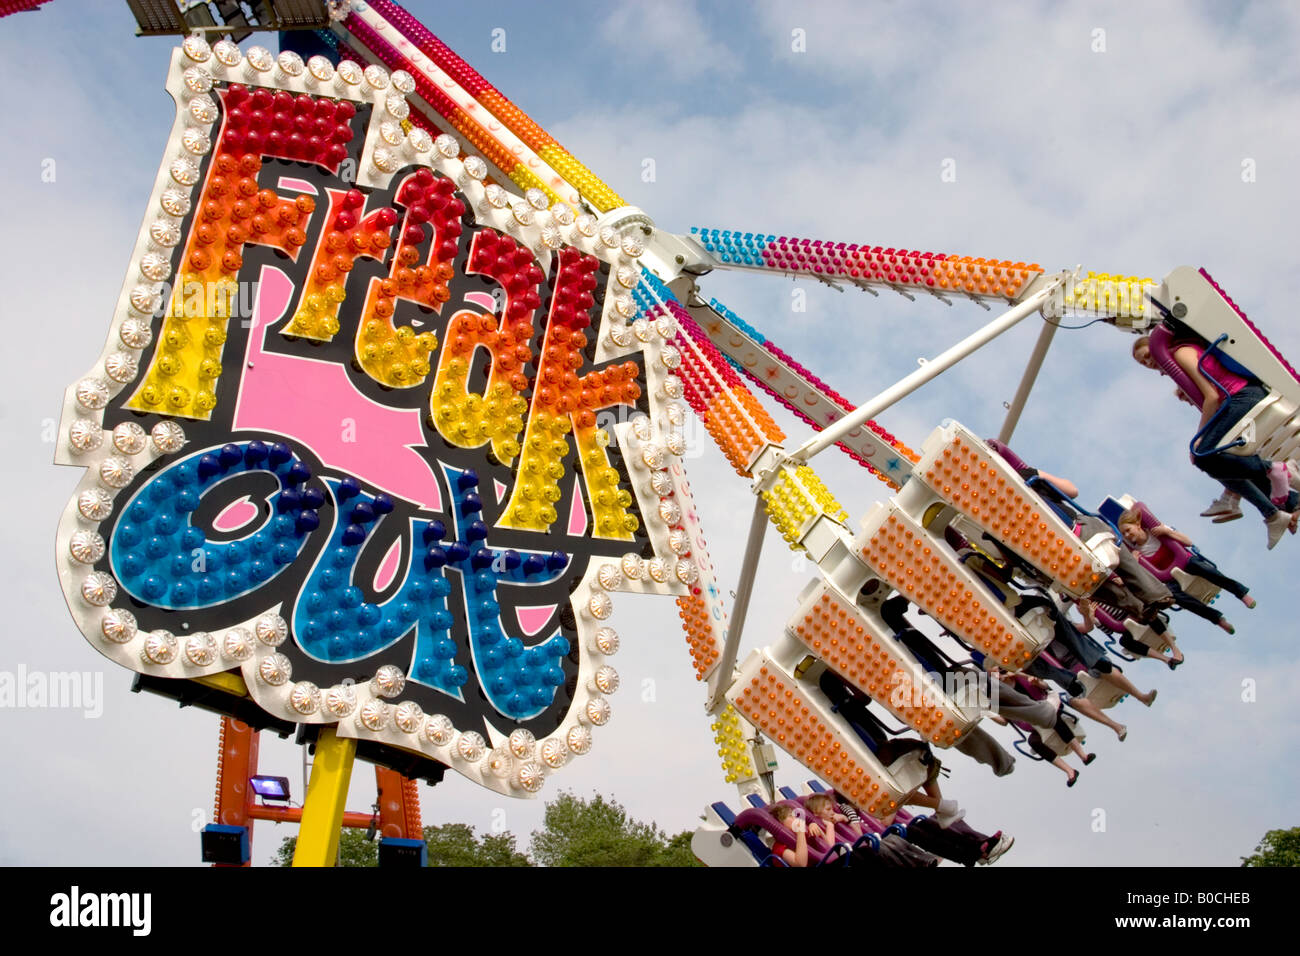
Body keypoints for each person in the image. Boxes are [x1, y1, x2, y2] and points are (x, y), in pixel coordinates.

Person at [1133, 335, 1297, 548]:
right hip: (1240, 400)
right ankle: (1286, 504)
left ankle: (1272, 476)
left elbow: (1212, 396)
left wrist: (1199, 436)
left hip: (1243, 397)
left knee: (1203, 455)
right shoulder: (1179, 364)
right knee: (1226, 461)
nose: (1148, 363)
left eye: (1147, 355)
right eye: (1142, 363)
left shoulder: (1181, 352)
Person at [1116, 506, 1255, 634]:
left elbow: (1188, 542)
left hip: (1185, 563)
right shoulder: (1136, 552)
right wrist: (1133, 563)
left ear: (1138, 525)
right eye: (1124, 533)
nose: (1127, 535)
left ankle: (1241, 593)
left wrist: (1167, 531)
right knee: (1173, 595)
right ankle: (1218, 619)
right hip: (1170, 577)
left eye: (1128, 530)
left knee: (1203, 568)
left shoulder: (1156, 532)